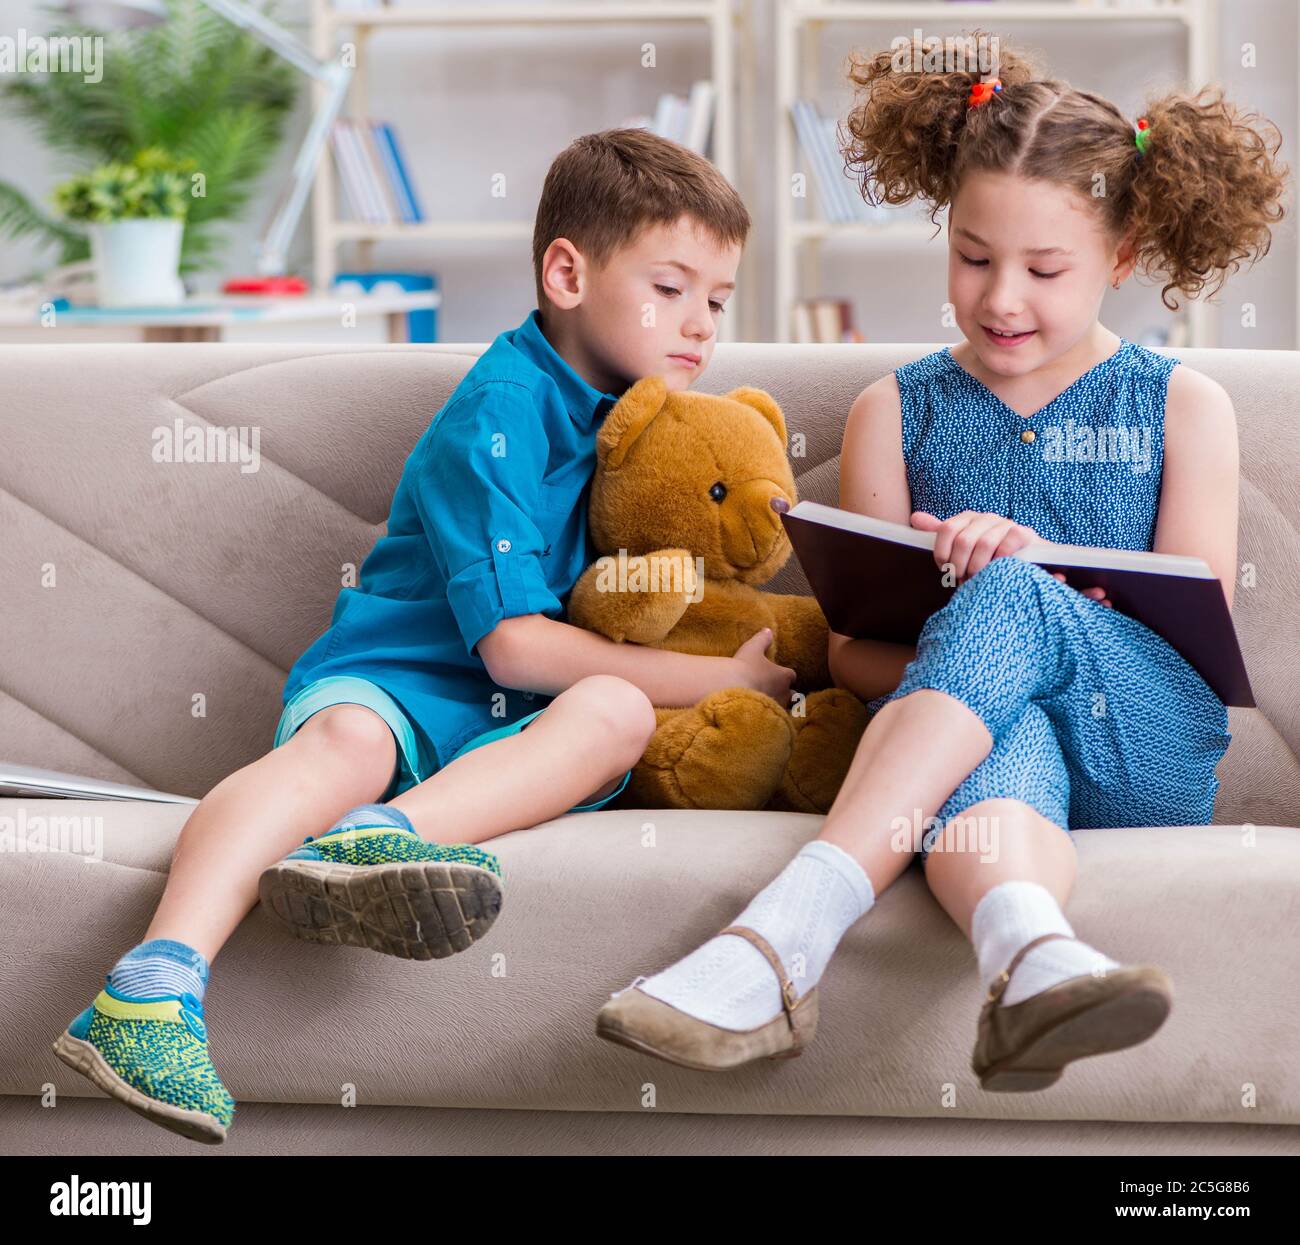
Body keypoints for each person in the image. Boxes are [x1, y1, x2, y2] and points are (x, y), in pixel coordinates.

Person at [52, 128, 793, 1143]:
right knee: (349, 745)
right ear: (567, 273)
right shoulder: (502, 407)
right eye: (671, 289)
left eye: (718, 297)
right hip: (399, 677)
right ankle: (153, 985)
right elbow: (515, 648)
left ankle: (388, 845)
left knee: (616, 712)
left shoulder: (647, 418)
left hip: (510, 731)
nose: (701, 324)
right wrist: (715, 673)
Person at [597, 34, 1286, 1089]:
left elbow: (1189, 643)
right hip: (961, 754)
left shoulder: (1179, 405)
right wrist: (964, 629)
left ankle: (787, 932)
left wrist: (1025, 579)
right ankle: (1033, 957)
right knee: (999, 763)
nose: (1002, 298)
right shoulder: (896, 411)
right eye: (972, 257)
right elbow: (856, 657)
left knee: (1008, 589)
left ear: (1124, 255)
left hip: (1141, 741)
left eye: (1044, 269)